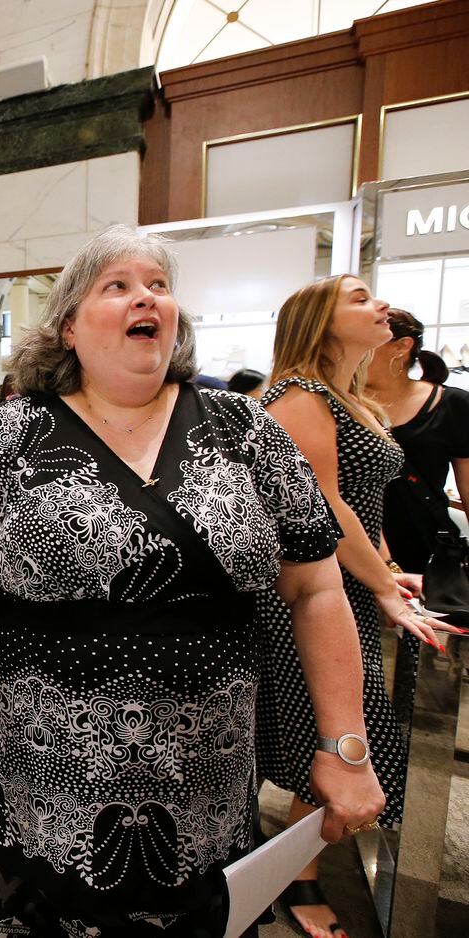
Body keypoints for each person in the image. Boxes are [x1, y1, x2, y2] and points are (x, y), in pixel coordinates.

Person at [0, 226, 387, 935]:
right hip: (42, 780)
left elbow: (317, 588)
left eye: (159, 286)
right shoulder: (11, 435)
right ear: (69, 327)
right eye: (120, 285)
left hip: (205, 780)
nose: (148, 299)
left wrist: (345, 746)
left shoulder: (243, 430)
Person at [254, 276, 445, 938]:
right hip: (300, 593)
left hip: (344, 587)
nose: (381, 306)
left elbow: (364, 504)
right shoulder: (298, 398)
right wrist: (386, 587)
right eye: (361, 298)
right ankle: (290, 875)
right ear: (320, 321)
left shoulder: (348, 398)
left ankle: (290, 864)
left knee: (332, 729)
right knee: (325, 730)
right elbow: (326, 508)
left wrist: (387, 572)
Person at [364, 309, 469, 574]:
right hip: (358, 547)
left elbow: (467, 484)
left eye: (367, 342)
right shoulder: (341, 405)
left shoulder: (451, 404)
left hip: (428, 545)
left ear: (402, 346)